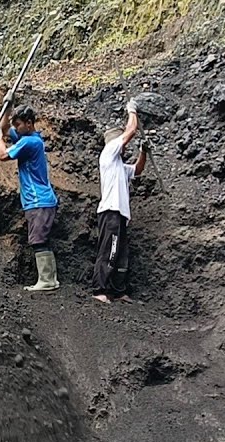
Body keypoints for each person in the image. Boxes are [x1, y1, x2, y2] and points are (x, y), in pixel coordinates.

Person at [0, 105, 60, 292]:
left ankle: (47, 281)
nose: (16, 128)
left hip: (38, 200)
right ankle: (51, 280)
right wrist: (8, 109)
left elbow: (3, 155)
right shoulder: (32, 138)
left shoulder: (29, 142)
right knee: (41, 239)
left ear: (29, 123)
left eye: (18, 125)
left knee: (38, 240)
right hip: (41, 200)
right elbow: (6, 129)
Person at [93, 100, 148, 304]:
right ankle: (100, 289)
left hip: (121, 215)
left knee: (121, 254)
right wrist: (132, 111)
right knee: (110, 250)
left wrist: (143, 151)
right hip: (110, 212)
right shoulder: (108, 154)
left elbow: (137, 170)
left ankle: (118, 290)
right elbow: (131, 130)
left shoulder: (120, 167)